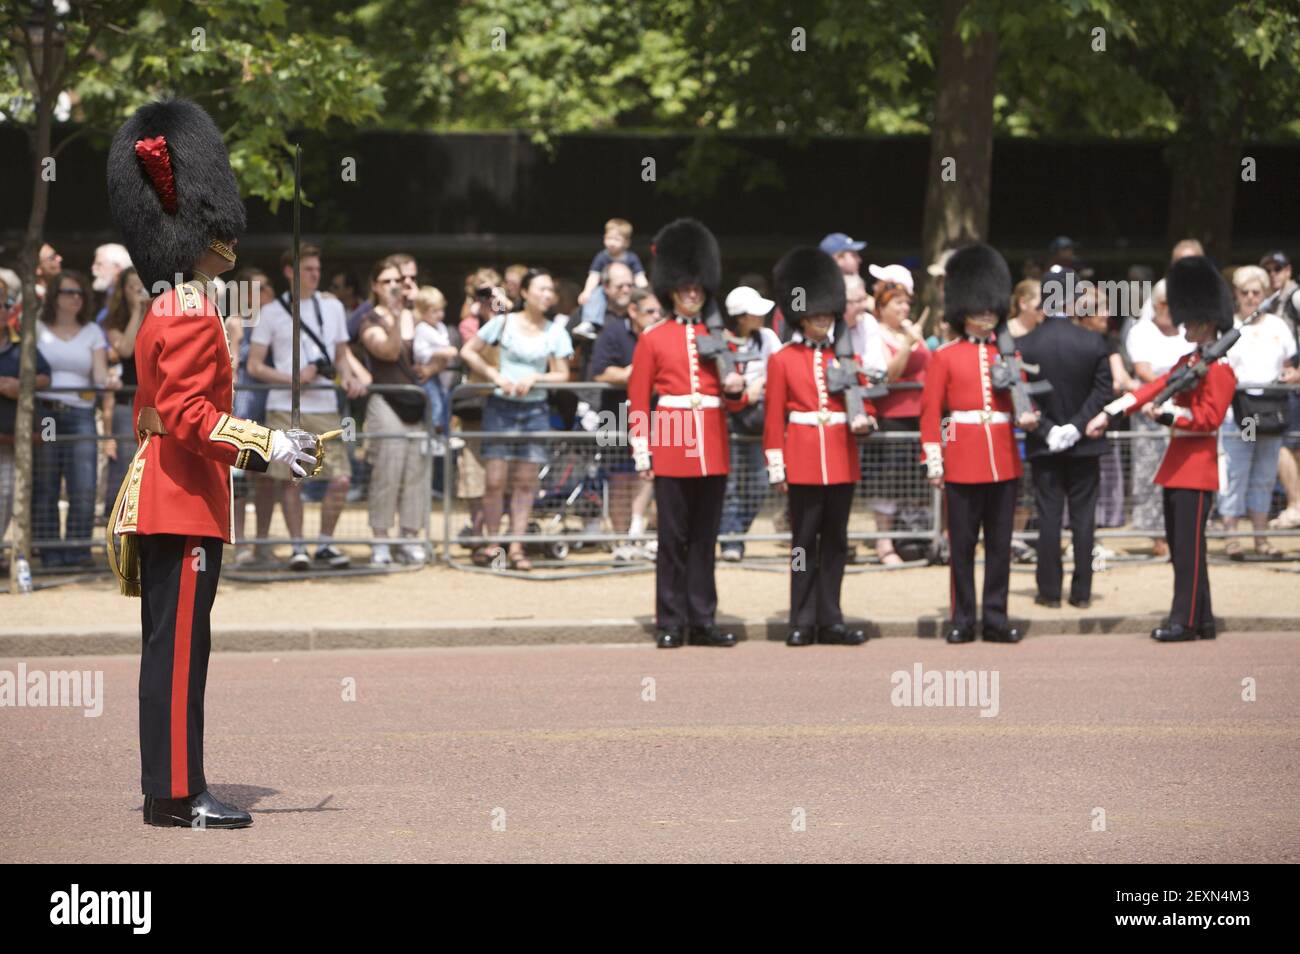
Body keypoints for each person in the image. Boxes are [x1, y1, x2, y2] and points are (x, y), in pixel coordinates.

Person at [106, 97, 321, 826]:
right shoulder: (193, 308)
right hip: (186, 499)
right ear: (198, 232)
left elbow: (161, 412)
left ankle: (165, 784)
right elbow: (194, 417)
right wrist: (271, 445)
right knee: (180, 656)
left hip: (166, 492)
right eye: (217, 228)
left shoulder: (164, 304)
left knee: (170, 652)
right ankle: (177, 795)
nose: (228, 239)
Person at [1087, 256, 1236, 641]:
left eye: (1190, 320)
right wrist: (1112, 411)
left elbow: (1208, 419)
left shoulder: (1220, 369)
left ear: (1207, 321)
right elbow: (1151, 388)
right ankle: (1201, 619)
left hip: (1199, 468)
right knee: (1187, 550)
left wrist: (1168, 416)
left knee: (1187, 552)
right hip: (1178, 465)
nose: (1183, 325)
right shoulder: (1191, 361)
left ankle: (1182, 621)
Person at [628, 218, 748, 649]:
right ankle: (669, 620)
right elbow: (639, 400)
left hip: (713, 443)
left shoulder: (723, 339)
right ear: (672, 289)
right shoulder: (653, 339)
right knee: (672, 538)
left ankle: (701, 619)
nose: (692, 294)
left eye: (698, 287)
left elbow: (736, 403)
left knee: (704, 538)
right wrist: (643, 451)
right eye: (685, 287)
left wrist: (737, 392)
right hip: (674, 439)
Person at [920, 244, 1040, 644]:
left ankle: (995, 617)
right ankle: (962, 618)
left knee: (1000, 547)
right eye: (979, 309)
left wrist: (1028, 415)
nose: (986, 315)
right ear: (962, 310)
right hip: (962, 460)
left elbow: (1021, 399)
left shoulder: (1009, 354)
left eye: (990, 309)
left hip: (1003, 459)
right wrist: (935, 459)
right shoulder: (945, 357)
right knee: (963, 547)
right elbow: (933, 413)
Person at [765, 247, 876, 646]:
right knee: (802, 544)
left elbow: (867, 401)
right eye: (815, 314)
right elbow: (774, 417)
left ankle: (830, 618)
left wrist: (866, 419)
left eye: (827, 313)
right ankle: (801, 618)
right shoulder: (783, 359)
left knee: (836, 542)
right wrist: (777, 466)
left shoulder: (847, 357)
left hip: (841, 459)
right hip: (803, 460)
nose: (822, 319)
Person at [247, 244, 369, 570]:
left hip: (326, 402)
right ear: (290, 272)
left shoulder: (331, 308)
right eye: (308, 269)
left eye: (317, 269)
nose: (315, 275)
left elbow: (341, 355)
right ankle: (298, 546)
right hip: (285, 405)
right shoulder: (272, 312)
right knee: (292, 479)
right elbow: (255, 366)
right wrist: (293, 378)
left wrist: (349, 378)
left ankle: (325, 543)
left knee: (341, 477)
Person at [460, 268, 573, 570]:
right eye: (541, 289)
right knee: (495, 480)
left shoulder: (555, 331)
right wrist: (494, 374)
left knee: (525, 482)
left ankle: (518, 546)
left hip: (535, 410)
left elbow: (562, 374)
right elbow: (468, 351)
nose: (547, 295)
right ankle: (494, 545)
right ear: (524, 292)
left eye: (551, 290)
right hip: (501, 407)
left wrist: (537, 377)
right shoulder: (503, 323)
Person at [1017, 269, 1114, 609]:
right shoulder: (1092, 341)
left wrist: (1050, 430)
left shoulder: (1026, 344)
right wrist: (1076, 426)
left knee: (1048, 518)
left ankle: (1048, 591)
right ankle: (1082, 592)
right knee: (1083, 520)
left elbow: (1021, 395)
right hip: (1084, 442)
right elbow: (1103, 390)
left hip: (1046, 444)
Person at [33, 269, 114, 567]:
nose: (76, 298)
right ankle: (49, 551)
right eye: (69, 292)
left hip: (81, 414)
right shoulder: (37, 328)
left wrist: (111, 381)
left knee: (83, 484)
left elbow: (100, 375)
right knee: (47, 480)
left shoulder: (92, 330)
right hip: (48, 414)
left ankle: (79, 552)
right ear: (55, 296)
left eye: (80, 293)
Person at [360, 259, 436, 565]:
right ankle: (380, 540)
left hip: (415, 402)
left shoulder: (416, 317)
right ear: (376, 286)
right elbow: (388, 353)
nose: (395, 285)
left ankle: (409, 537)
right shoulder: (370, 320)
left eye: (399, 280)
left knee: (417, 472)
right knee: (387, 471)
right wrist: (392, 318)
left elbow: (441, 346)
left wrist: (432, 366)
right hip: (385, 402)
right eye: (388, 281)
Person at [1219, 265, 1297, 559]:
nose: (1251, 298)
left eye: (1257, 292)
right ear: (1236, 295)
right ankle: (1232, 537)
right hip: (1242, 414)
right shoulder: (1231, 326)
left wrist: (1292, 375)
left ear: (1265, 294)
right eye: (1245, 293)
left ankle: (1260, 538)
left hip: (1272, 410)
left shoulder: (1278, 326)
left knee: (1265, 473)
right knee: (1238, 470)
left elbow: (1290, 363)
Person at [861, 277, 929, 565]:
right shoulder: (876, 334)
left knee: (914, 482)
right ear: (882, 307)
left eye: (906, 302)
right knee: (888, 482)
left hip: (919, 415)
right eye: (897, 303)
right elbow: (889, 375)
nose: (904, 308)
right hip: (892, 416)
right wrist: (907, 346)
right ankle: (884, 543)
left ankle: (910, 536)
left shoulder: (910, 330)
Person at [1126, 279, 1194, 555]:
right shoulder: (1141, 330)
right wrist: (1170, 389)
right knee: (1150, 472)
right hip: (1151, 409)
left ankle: (1181, 529)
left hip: (1184, 407)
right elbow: (1143, 370)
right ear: (1159, 304)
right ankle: (1156, 535)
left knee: (1182, 468)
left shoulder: (1186, 331)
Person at [591, 286, 661, 551]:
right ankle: (622, 542)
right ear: (633, 310)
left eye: (659, 311)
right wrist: (636, 374)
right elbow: (599, 373)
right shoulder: (612, 333)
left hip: (656, 416)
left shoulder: (661, 335)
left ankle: (637, 531)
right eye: (650, 311)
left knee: (649, 475)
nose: (656, 316)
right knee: (619, 480)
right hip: (615, 414)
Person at [717, 284, 782, 561]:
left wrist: (759, 383)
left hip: (758, 419)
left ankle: (736, 532)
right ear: (740, 317)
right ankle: (731, 541)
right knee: (729, 486)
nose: (761, 317)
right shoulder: (719, 340)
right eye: (754, 313)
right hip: (728, 419)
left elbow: (780, 365)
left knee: (758, 483)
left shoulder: (766, 337)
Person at [101, 267, 149, 520]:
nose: (138, 291)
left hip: (152, 402)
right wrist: (136, 312)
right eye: (133, 286)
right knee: (124, 465)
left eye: (141, 285)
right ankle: (119, 524)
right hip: (126, 402)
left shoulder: (159, 314)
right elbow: (126, 350)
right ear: (123, 291)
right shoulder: (114, 322)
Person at [0, 319, 52, 555]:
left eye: (4, 304)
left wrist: (20, 385)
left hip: (11, 442)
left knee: (6, 495)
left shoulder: (21, 344)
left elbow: (44, 375)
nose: (2, 310)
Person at [1260, 250, 1300, 530]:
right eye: (1269, 269)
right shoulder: (1270, 301)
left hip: (1293, 384)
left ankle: (1295, 504)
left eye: (1278, 268)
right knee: (1288, 445)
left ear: (1288, 270)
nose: (1274, 273)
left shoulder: (1295, 297)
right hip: (1283, 386)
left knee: (1287, 444)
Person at [572, 218, 648, 340]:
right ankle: (590, 322)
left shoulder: (631, 258)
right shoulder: (602, 257)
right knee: (595, 295)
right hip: (605, 289)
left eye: (616, 239)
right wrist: (587, 291)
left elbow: (640, 276)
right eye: (608, 238)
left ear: (627, 242)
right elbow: (594, 275)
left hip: (629, 289)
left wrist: (646, 292)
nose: (611, 243)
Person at [91, 243, 132, 324]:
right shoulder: (107, 296)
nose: (93, 268)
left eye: (99, 264)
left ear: (117, 268)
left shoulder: (129, 298)